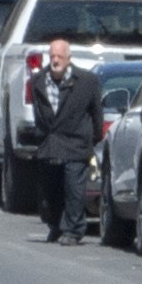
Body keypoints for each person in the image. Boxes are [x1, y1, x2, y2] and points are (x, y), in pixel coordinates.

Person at [32, 35, 103, 244]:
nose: (55, 60)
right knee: (51, 189)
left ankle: (74, 229)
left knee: (74, 188)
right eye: (52, 56)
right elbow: (39, 113)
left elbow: (96, 113)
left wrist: (94, 138)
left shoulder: (87, 81)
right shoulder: (38, 81)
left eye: (60, 56)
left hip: (76, 143)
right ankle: (56, 225)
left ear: (68, 58)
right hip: (50, 143)